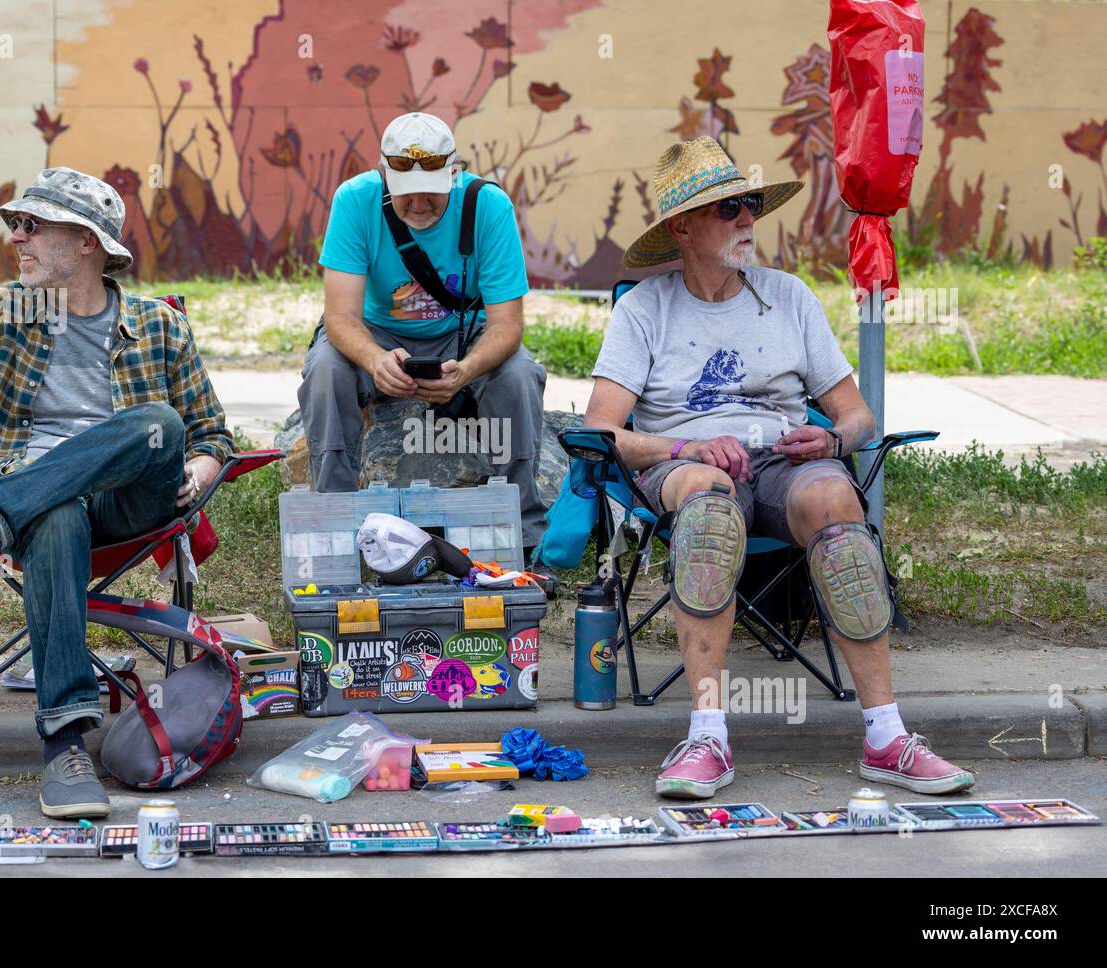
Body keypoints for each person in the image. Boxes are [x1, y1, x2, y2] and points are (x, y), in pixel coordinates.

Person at [583, 137, 973, 799]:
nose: (746, 220)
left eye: (751, 206)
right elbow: (600, 431)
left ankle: (887, 736)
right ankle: (707, 737)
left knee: (835, 504)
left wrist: (829, 443)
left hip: (780, 467)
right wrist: (686, 449)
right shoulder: (642, 310)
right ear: (681, 227)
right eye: (729, 207)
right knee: (708, 507)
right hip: (684, 468)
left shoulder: (788, 297)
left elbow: (857, 417)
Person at [0, 167, 234, 818]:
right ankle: (64, 745)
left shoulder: (159, 327)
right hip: (36, 513)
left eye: (33, 225)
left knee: (160, 424)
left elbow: (211, 434)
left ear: (87, 241)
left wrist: (203, 469)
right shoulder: (2, 316)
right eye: (15, 224)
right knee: (57, 509)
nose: (16, 237)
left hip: (130, 505)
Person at [300, 112, 549, 559]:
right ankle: (336, 521)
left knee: (519, 376)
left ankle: (524, 535)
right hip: (375, 330)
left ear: (454, 175)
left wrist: (468, 370)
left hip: (463, 334)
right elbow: (339, 317)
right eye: (404, 192)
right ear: (382, 177)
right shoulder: (355, 200)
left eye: (431, 192)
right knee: (324, 371)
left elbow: (508, 325)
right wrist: (375, 360)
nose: (418, 203)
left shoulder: (488, 206)